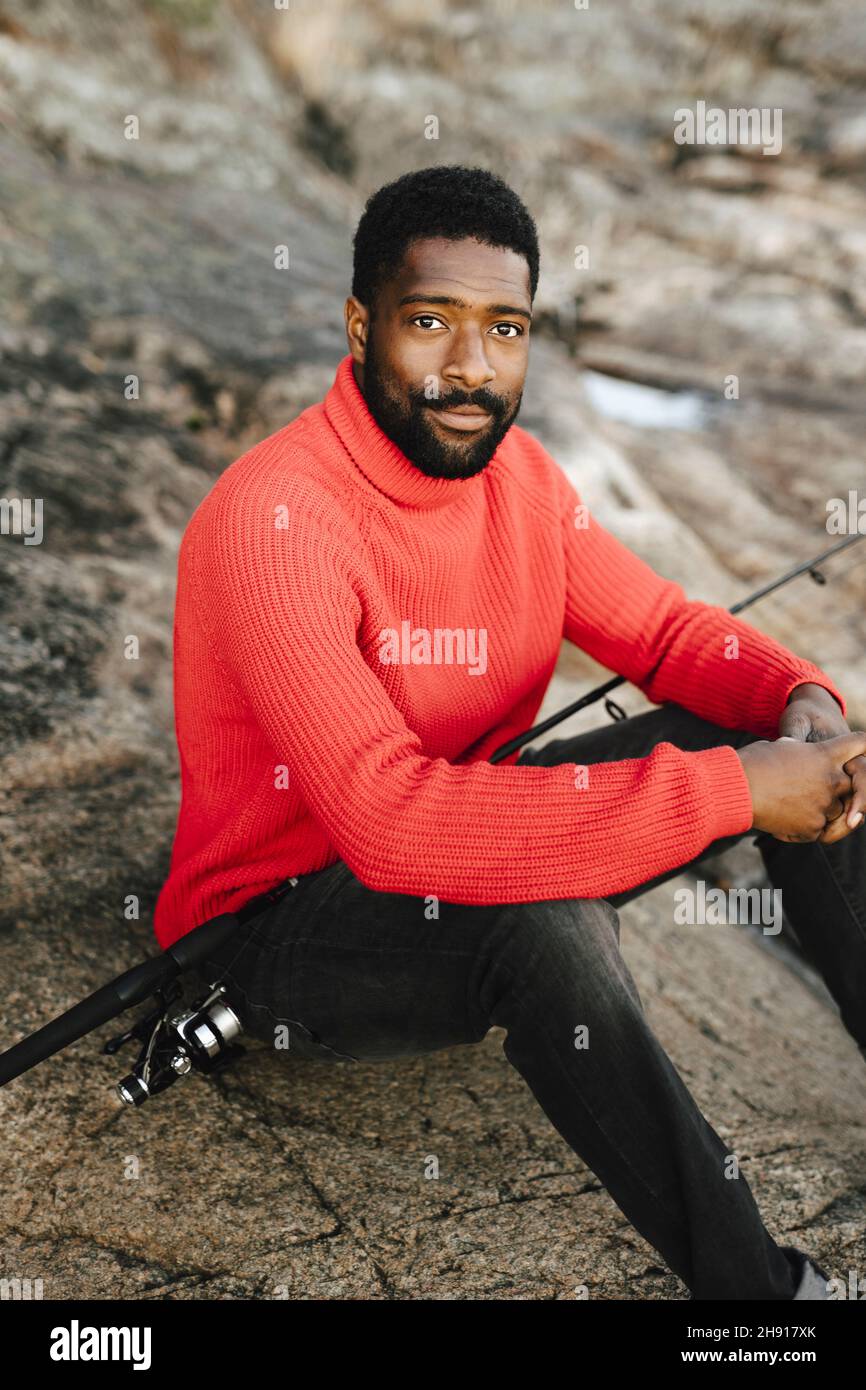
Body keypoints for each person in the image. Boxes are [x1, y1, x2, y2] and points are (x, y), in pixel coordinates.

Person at [154, 165, 866, 1301]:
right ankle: (767, 1305)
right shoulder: (272, 518)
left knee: (797, 751)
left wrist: (800, 701)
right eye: (428, 322)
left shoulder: (518, 481)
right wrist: (734, 794)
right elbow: (389, 825)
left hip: (466, 834)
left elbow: (670, 632)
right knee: (546, 919)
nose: (469, 368)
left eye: (505, 329)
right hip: (286, 927)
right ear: (359, 326)